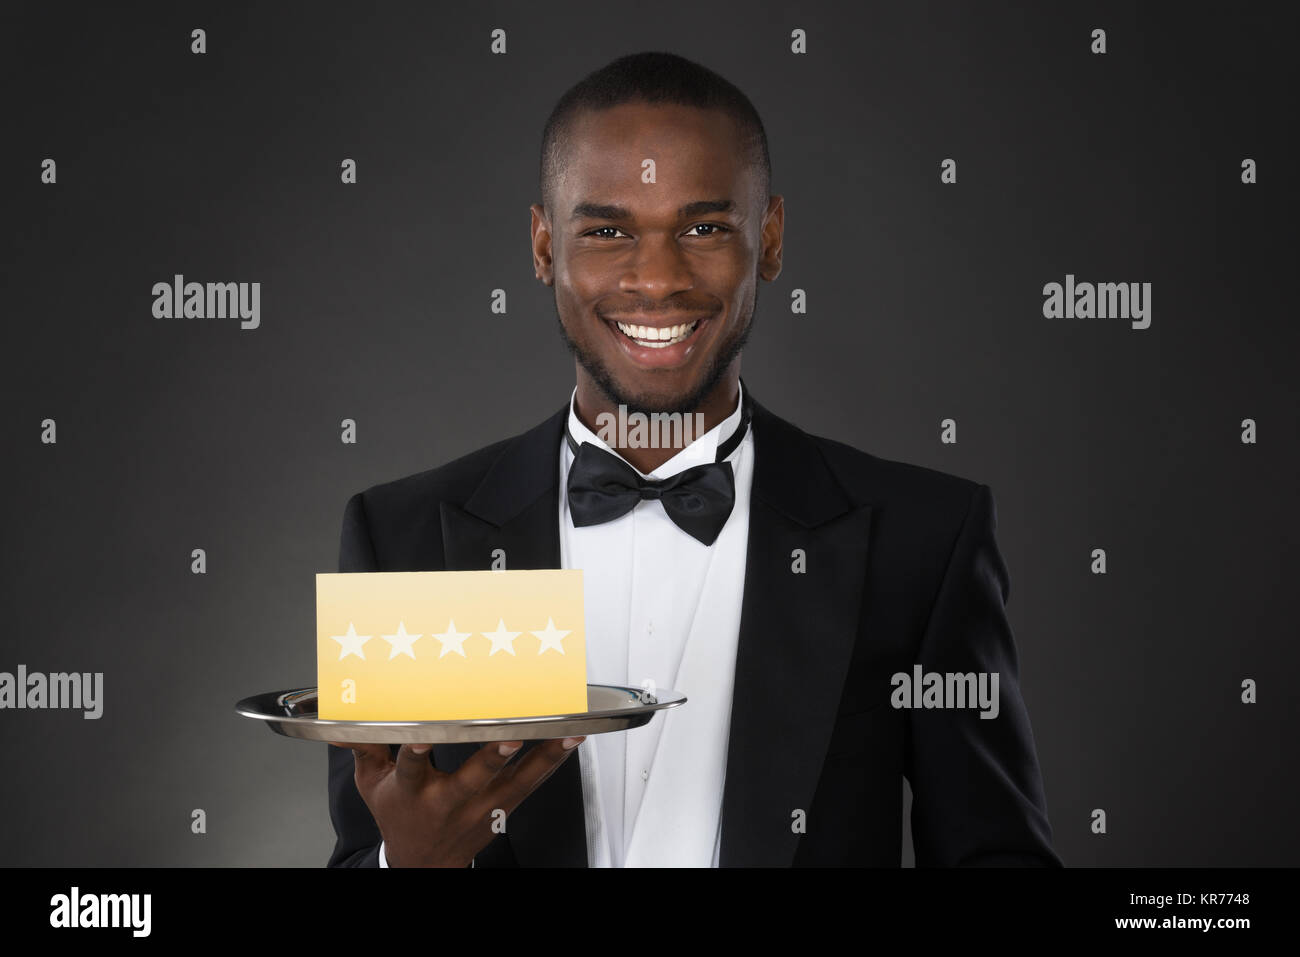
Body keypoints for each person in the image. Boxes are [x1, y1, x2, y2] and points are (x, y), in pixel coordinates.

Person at [326, 51, 1061, 868]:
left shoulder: (923, 543)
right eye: (607, 231)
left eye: (704, 228)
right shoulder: (405, 543)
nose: (657, 279)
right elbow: (366, 847)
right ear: (542, 246)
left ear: (770, 238)